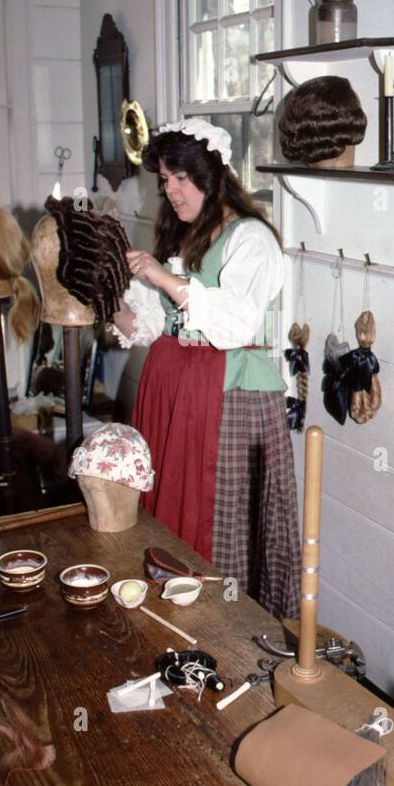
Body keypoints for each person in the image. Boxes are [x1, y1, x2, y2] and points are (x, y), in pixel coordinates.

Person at [109, 119, 300, 620]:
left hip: (229, 398)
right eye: (165, 181)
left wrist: (161, 275)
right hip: (177, 392)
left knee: (227, 524)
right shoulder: (188, 235)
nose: (170, 190)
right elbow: (150, 325)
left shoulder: (251, 237)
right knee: (172, 514)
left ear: (212, 175)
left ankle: (229, 628)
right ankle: (174, 622)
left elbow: (235, 323)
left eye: (179, 178)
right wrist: (105, 295)